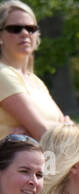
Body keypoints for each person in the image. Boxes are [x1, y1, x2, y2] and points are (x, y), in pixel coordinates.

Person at [0, 1, 65, 141]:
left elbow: (66, 127)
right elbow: (44, 133)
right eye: (15, 29)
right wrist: (60, 127)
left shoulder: (36, 81)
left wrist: (33, 131)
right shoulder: (2, 74)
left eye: (31, 28)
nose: (24, 33)